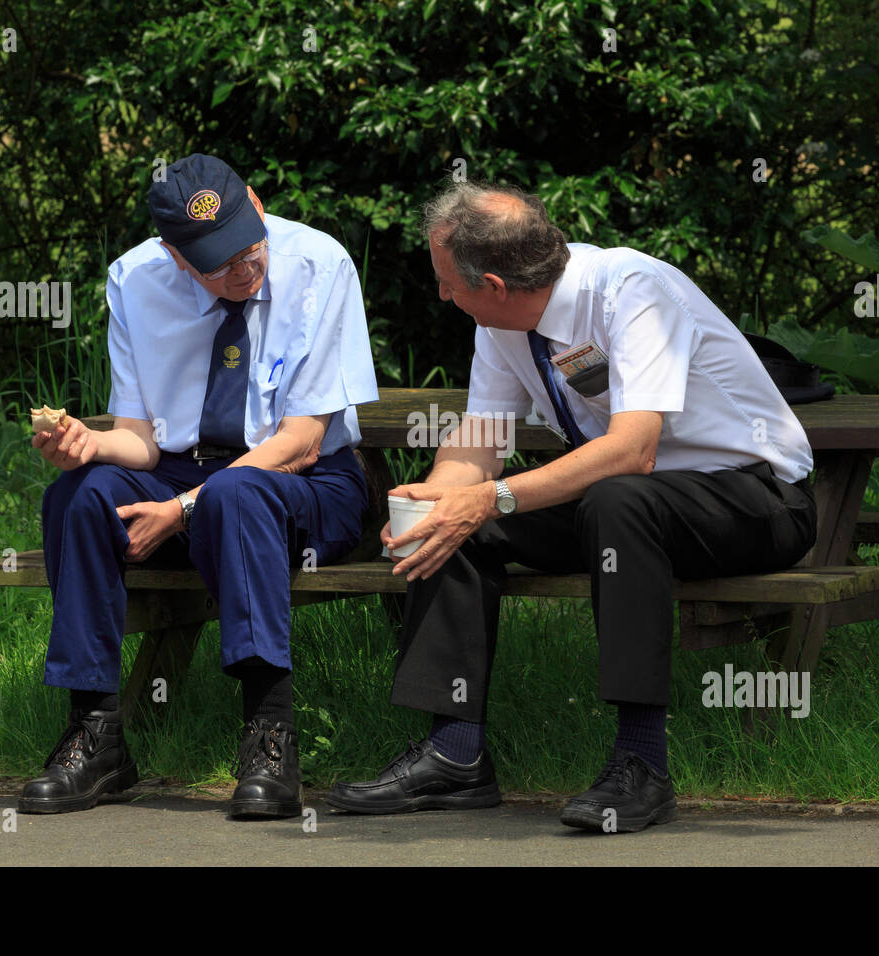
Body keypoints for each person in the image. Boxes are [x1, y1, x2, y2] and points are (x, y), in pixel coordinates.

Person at [327, 182, 816, 832]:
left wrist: (489, 498)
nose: (441, 295)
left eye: (447, 283)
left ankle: (641, 766)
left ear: (494, 283)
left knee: (615, 498)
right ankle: (454, 754)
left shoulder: (633, 292)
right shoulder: (501, 324)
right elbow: (482, 438)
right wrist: (440, 494)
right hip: (628, 504)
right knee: (459, 530)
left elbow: (632, 450)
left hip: (754, 496)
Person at [19, 153, 378, 819]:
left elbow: (299, 442)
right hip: (182, 472)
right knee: (79, 495)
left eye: (249, 243)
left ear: (258, 204)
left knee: (238, 495)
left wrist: (187, 506)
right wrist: (89, 446)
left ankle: (270, 735)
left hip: (305, 481)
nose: (244, 268)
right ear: (175, 256)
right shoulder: (133, 280)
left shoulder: (321, 265)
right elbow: (141, 438)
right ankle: (96, 735)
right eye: (217, 262)